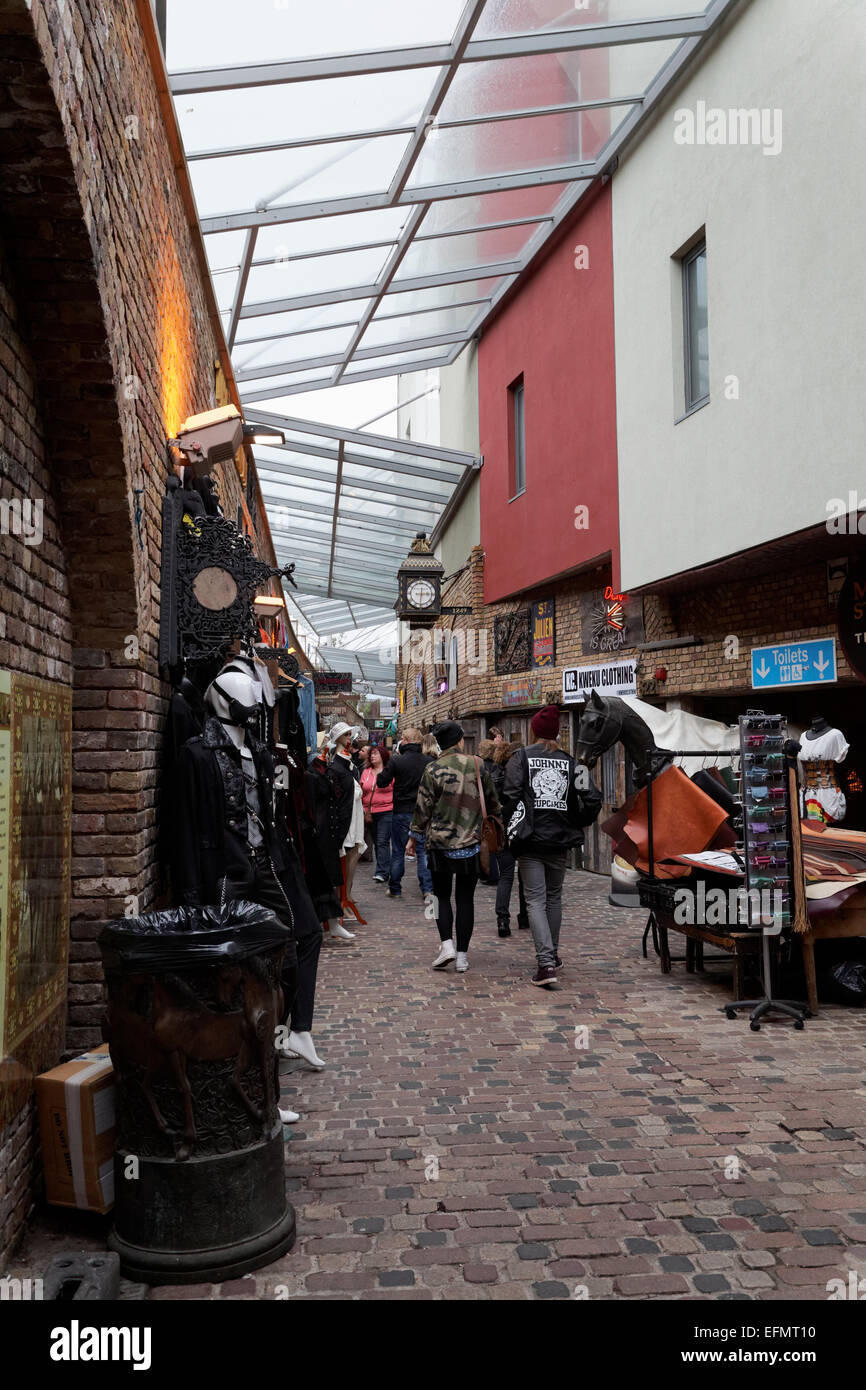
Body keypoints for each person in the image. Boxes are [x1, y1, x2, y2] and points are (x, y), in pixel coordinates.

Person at [502, 705, 602, 988]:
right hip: (560, 839)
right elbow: (593, 798)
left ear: (534, 730)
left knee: (535, 900)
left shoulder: (520, 757)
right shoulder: (573, 762)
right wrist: (577, 820)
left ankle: (545, 963)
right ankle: (552, 955)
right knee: (553, 898)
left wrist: (514, 825)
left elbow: (509, 796)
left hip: (531, 839)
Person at [411, 720, 501, 974]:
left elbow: (422, 808)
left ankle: (446, 945)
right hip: (471, 843)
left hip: (439, 843)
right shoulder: (477, 764)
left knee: (440, 897)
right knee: (465, 899)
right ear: (460, 740)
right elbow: (493, 802)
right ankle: (462, 956)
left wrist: (414, 835)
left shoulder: (433, 769)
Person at [376, 726, 434, 901]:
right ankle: (427, 889)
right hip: (422, 811)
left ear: (406, 741)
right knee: (423, 852)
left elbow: (381, 782)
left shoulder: (397, 761)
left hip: (401, 811)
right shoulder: (428, 762)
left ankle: (395, 888)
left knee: (398, 851)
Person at [306, 744, 356, 943]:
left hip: (328, 832)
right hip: (317, 833)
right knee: (319, 881)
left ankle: (333, 924)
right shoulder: (311, 776)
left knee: (328, 880)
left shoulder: (327, 773)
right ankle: (320, 925)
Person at [490, 739, 524, 937]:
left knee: (506, 876)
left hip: (501, 828)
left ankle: (502, 919)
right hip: (520, 828)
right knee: (524, 876)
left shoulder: (493, 774)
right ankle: (525, 916)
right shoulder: (519, 776)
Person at [329, 722, 366, 907]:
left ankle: (347, 893)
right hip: (346, 813)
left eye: (350, 735)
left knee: (354, 851)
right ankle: (342, 894)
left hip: (355, 811)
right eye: (346, 735)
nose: (350, 738)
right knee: (347, 851)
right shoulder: (336, 764)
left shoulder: (347, 762)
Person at [361, 745, 393, 883]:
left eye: (375, 754)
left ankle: (382, 871)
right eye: (371, 754)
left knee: (382, 841)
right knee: (376, 842)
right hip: (369, 812)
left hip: (386, 810)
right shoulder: (366, 772)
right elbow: (361, 791)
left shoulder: (389, 771)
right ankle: (385, 868)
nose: (372, 756)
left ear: (383, 756)